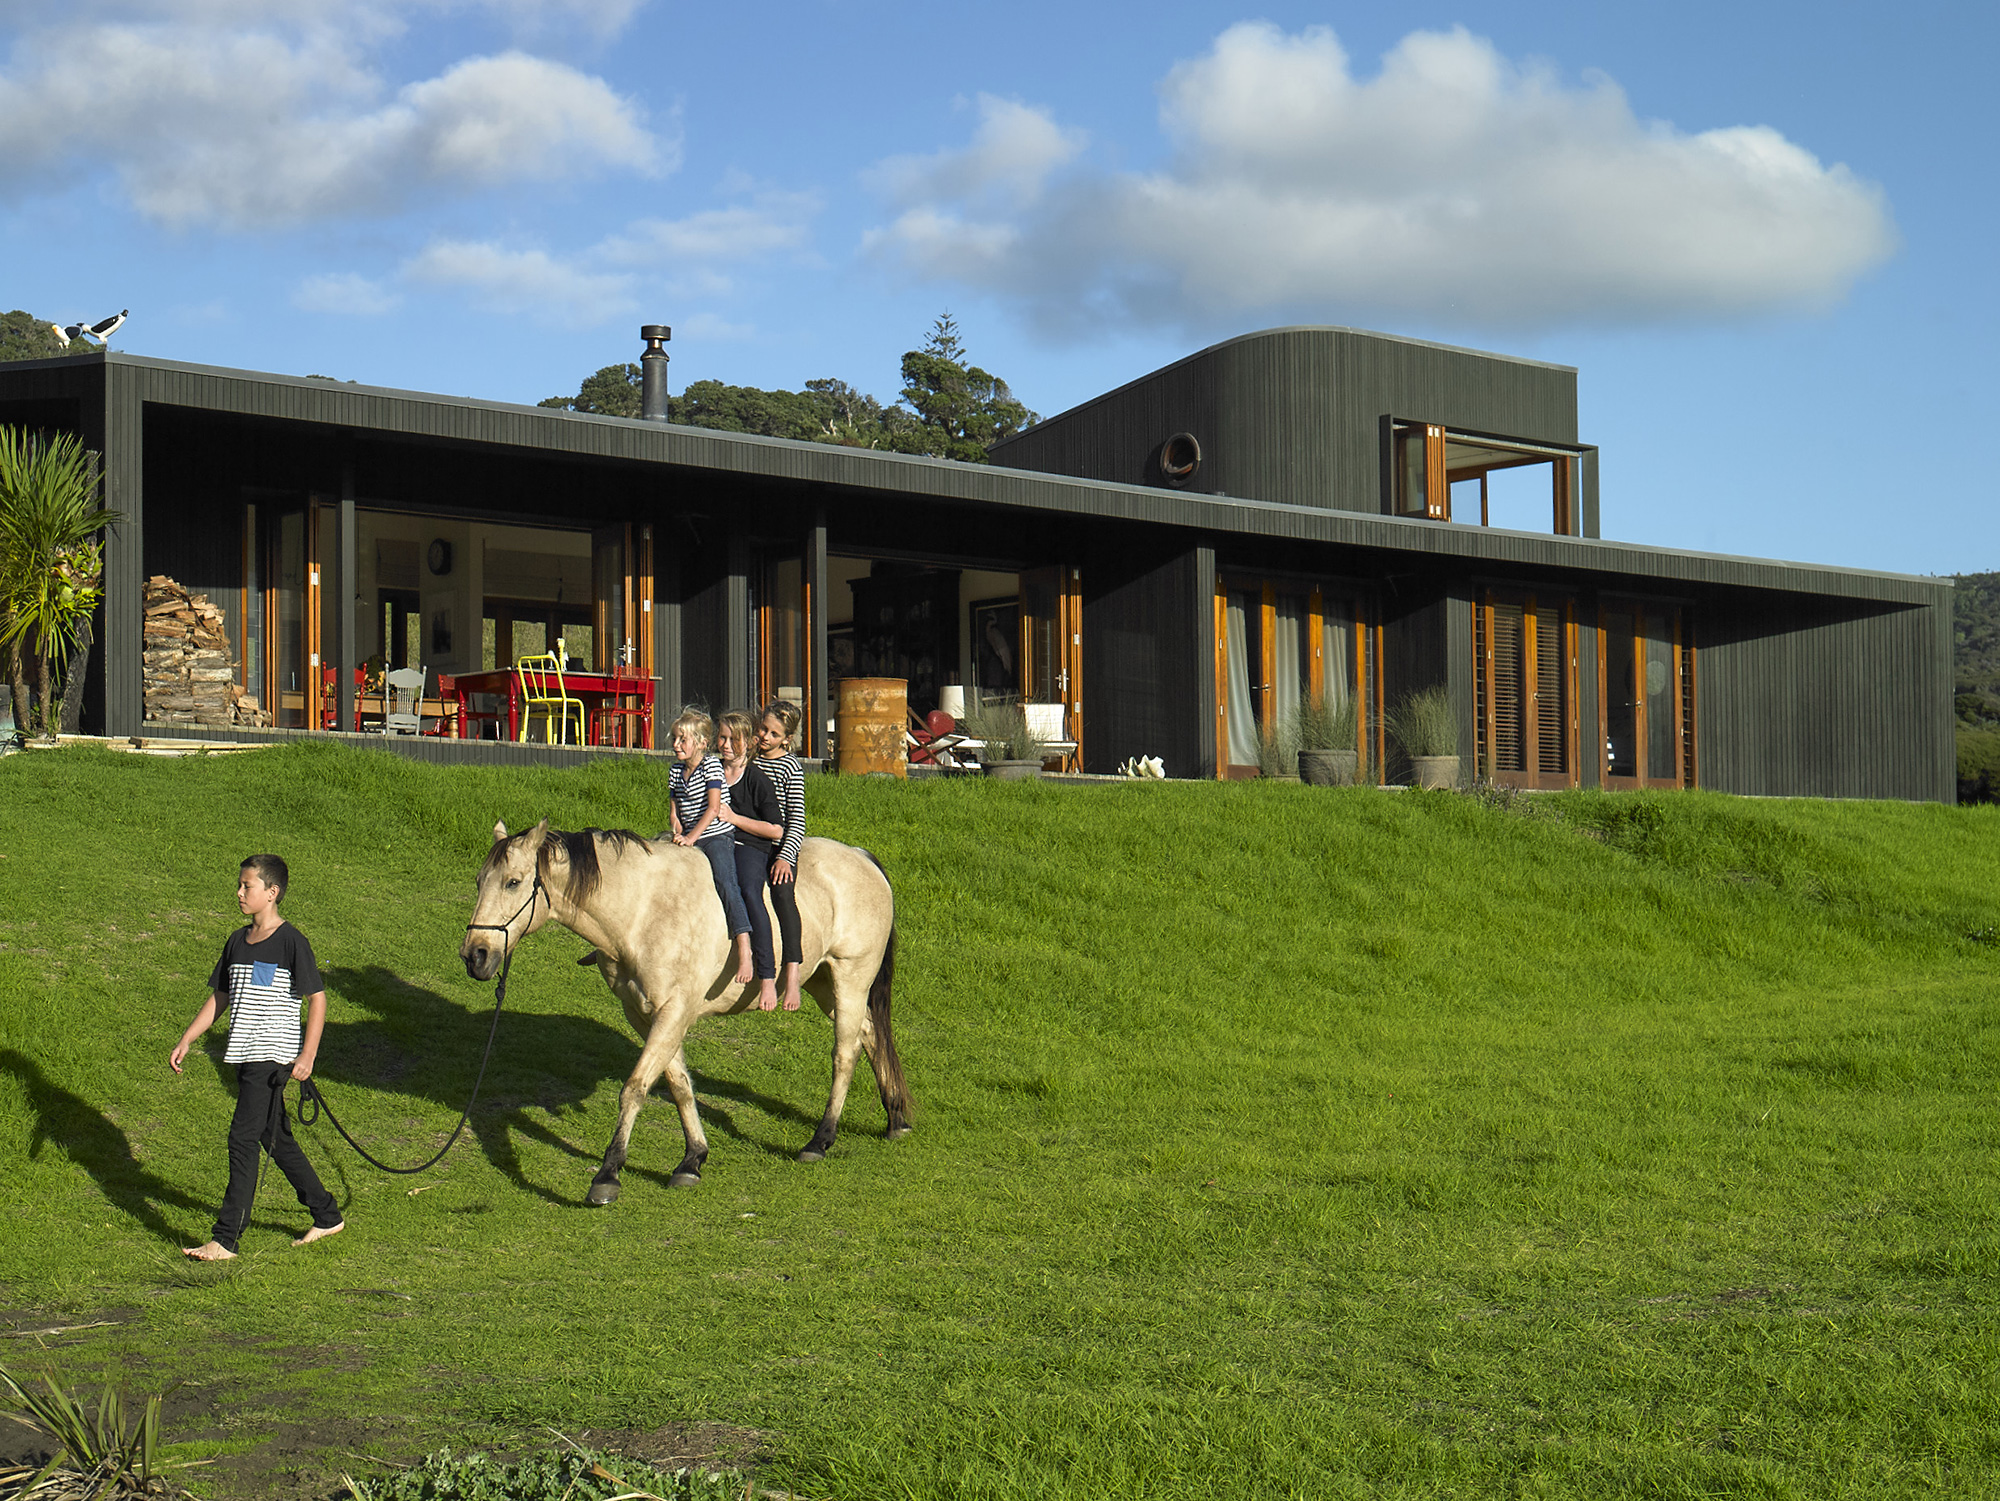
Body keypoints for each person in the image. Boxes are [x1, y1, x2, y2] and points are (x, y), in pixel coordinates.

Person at [170, 854, 344, 1261]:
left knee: (242, 1138)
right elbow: (221, 997)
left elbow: (317, 1000)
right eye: (240, 885)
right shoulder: (236, 940)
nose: (239, 892)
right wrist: (188, 1038)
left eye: (247, 886)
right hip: (245, 1055)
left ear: (272, 892)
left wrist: (308, 1054)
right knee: (273, 1138)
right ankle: (326, 1214)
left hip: (272, 1058)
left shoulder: (291, 942)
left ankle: (226, 1238)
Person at [668, 706, 754, 983]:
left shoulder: (711, 766)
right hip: (688, 835)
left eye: (683, 739)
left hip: (714, 835)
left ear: (702, 744)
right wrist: (677, 826)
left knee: (726, 881)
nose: (676, 744)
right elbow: (675, 807)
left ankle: (744, 948)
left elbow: (714, 808)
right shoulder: (675, 770)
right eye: (675, 739)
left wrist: (692, 838)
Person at [714, 711, 787, 1011]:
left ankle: (767, 976)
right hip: (716, 840)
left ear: (748, 743)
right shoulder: (713, 771)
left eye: (734, 739)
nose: (726, 745)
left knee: (748, 891)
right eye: (722, 737)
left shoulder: (756, 779)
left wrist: (735, 818)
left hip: (750, 845)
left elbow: (776, 829)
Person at [754, 699, 809, 1011]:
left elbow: (796, 817)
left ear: (787, 739)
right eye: (763, 728)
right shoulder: (751, 758)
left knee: (783, 896)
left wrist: (786, 856)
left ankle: (791, 972)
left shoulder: (791, 766)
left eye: (774, 734)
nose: (765, 737)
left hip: (778, 844)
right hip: (748, 839)